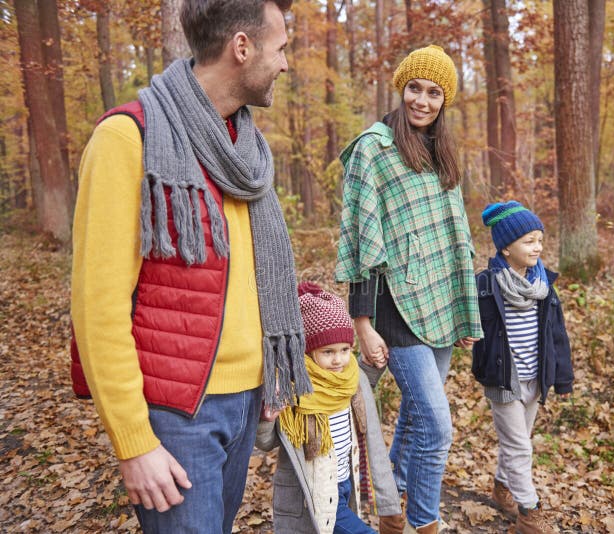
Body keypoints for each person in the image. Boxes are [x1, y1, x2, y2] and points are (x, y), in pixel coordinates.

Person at [70, 1, 310, 532]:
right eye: (281, 48)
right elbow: (97, 308)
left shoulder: (244, 148)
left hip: (245, 402)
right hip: (177, 415)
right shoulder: (127, 138)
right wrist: (134, 443)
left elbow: (247, 279)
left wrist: (267, 379)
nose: (286, 63)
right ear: (241, 48)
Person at [334, 44, 483, 533]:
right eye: (415, 88)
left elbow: (454, 235)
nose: (422, 100)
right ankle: (424, 521)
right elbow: (358, 240)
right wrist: (362, 324)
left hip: (441, 303)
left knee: (419, 419)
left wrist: (466, 313)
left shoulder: (442, 153)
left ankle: (391, 496)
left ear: (446, 100)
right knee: (438, 427)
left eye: (434, 92)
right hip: (393, 309)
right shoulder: (373, 150)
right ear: (401, 89)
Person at [255, 282, 405, 534]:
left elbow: (365, 386)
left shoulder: (350, 379)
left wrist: (373, 363)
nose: (338, 359)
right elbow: (267, 442)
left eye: (345, 350)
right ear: (308, 351)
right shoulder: (295, 387)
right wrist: (267, 418)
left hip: (345, 482)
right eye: (328, 351)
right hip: (313, 492)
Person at [471, 201, 574, 534]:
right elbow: (469, 322)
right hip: (504, 380)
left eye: (539, 240)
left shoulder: (544, 287)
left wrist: (562, 379)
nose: (538, 247)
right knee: (519, 446)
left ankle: (502, 486)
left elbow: (556, 335)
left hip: (534, 378)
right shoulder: (486, 285)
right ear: (506, 247)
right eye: (529, 241)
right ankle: (530, 513)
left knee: (520, 440)